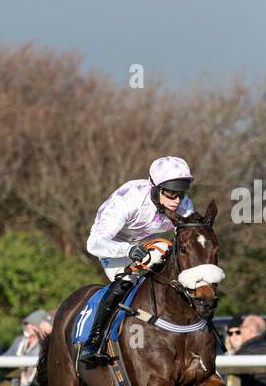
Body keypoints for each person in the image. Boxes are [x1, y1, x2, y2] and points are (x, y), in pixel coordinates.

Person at [80, 156, 197, 367]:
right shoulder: (127, 200)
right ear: (155, 189)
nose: (177, 200)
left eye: (181, 192)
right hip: (115, 245)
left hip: (149, 242)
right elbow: (94, 244)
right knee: (127, 282)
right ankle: (94, 342)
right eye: (171, 193)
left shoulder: (184, 205)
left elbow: (190, 237)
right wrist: (129, 250)